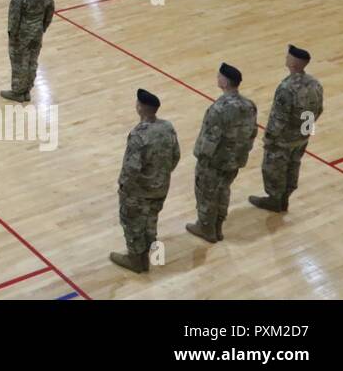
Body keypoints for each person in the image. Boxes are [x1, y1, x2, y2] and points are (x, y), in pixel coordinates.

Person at [111, 89, 181, 274]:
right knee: (151, 221)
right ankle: (145, 258)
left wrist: (124, 189)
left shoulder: (139, 134)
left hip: (139, 191)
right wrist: (160, 175)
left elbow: (131, 168)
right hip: (160, 187)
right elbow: (175, 156)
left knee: (132, 222)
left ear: (140, 108)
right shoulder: (167, 127)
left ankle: (135, 259)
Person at [187, 63, 258, 244]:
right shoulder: (249, 105)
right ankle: (218, 227)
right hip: (235, 159)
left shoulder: (219, 108)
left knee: (206, 194)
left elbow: (210, 140)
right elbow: (252, 132)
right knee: (223, 190)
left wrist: (201, 159)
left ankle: (206, 228)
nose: (217, 78)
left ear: (225, 82)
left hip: (214, 161)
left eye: (219, 76)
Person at [250, 45, 323, 213]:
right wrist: (305, 132)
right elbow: (317, 109)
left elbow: (279, 118)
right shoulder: (314, 83)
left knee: (274, 169)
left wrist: (269, 138)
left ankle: (274, 200)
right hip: (302, 137)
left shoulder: (287, 87)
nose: (286, 59)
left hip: (283, 139)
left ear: (294, 64)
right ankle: (285, 199)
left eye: (288, 57)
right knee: (293, 165)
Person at [2, 0, 54, 103]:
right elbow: (50, 9)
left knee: (19, 62)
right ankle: (27, 90)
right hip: (37, 31)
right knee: (32, 61)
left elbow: (14, 17)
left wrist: (12, 34)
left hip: (22, 34)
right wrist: (43, 26)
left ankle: (18, 92)